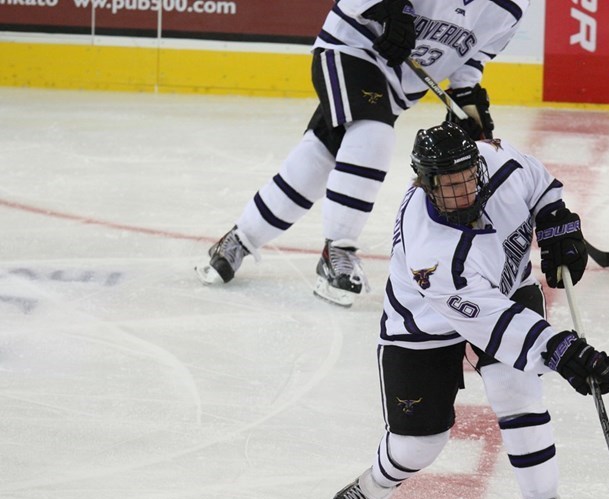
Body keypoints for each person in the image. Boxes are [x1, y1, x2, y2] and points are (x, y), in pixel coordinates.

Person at [327, 122, 609, 499]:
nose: (462, 191)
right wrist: (564, 352)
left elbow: (540, 182)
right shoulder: (433, 255)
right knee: (417, 446)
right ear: (424, 183)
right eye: (448, 184)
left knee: (515, 390)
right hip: (423, 322)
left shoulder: (497, 163)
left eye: (467, 177)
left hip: (505, 291)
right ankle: (376, 483)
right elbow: (497, 324)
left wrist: (557, 223)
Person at [195, 0, 528, 306]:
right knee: (373, 136)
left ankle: (240, 238)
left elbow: (473, 57)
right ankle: (338, 250)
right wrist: (388, 6)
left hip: (395, 89)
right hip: (351, 48)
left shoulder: (511, 8)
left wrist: (466, 100)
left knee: (318, 159)